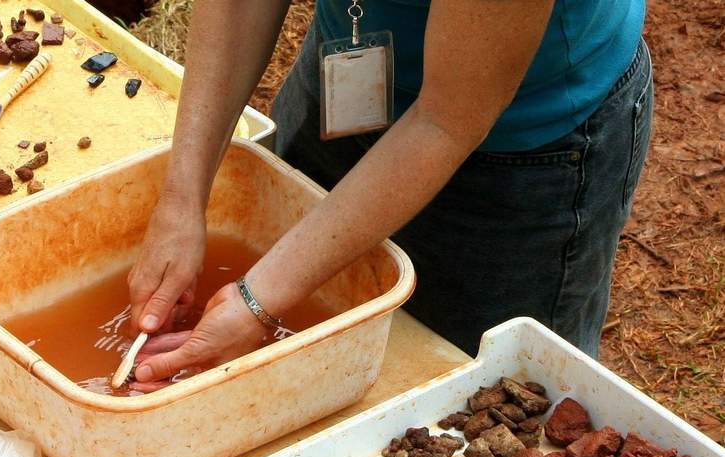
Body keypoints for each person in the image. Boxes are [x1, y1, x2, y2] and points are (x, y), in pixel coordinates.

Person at [126, 0, 653, 389]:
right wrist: (182, 199)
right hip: (355, 64)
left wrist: (256, 302)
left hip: (522, 150)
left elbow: (447, 120)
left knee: (484, 397)